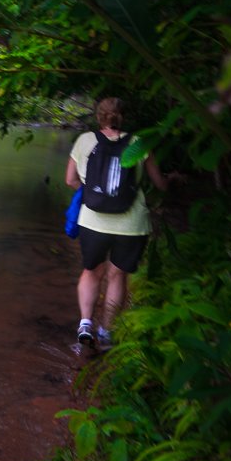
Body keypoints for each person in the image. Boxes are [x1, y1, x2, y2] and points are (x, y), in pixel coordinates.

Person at [65, 97, 169, 348]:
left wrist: (92, 194)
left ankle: (85, 324)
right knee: (117, 275)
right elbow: (160, 184)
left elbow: (70, 180)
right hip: (131, 224)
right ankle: (107, 332)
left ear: (98, 116)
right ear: (124, 116)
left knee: (91, 272)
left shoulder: (85, 141)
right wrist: (172, 181)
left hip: (93, 220)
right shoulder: (138, 144)